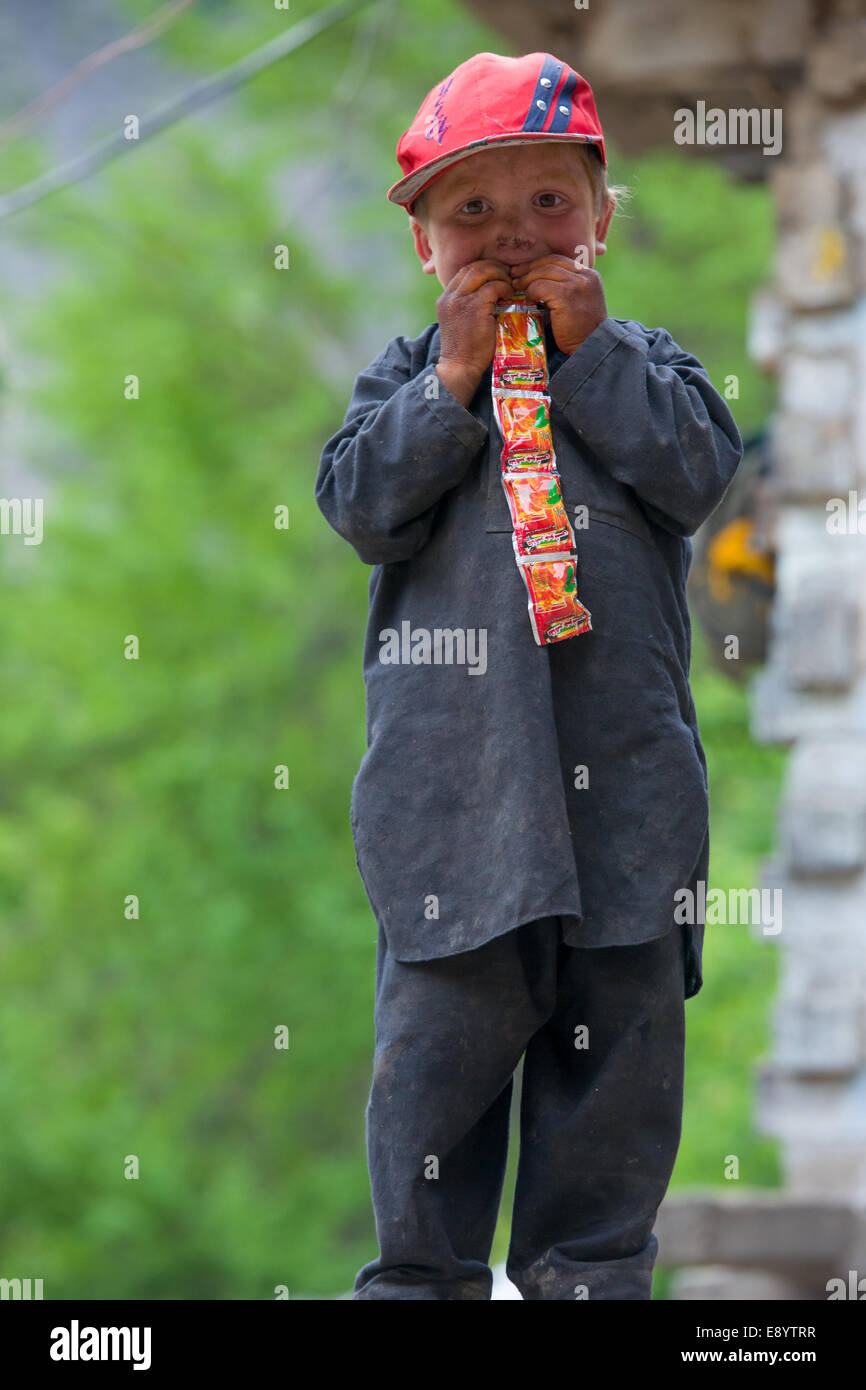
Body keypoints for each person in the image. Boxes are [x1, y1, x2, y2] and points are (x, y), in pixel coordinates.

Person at [316, 51, 743, 1300]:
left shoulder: (647, 366)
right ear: (424, 250)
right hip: (457, 816)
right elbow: (358, 506)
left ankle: (586, 1281)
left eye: (548, 204)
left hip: (626, 816)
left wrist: (592, 355)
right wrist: (453, 383)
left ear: (603, 216)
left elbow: (694, 473)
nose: (513, 241)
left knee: (611, 1103)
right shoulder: (402, 384)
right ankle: (422, 1287)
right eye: (472, 215)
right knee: (433, 1090)